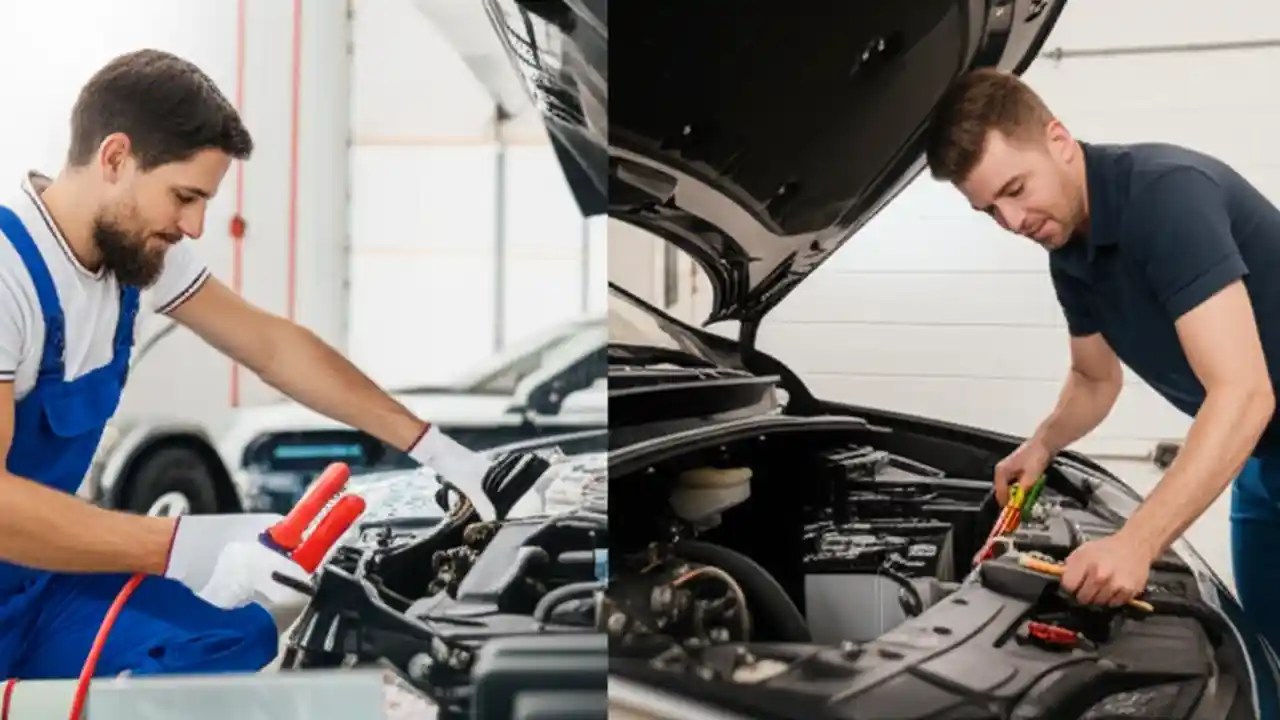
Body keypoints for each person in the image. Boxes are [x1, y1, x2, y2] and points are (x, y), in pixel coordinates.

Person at [0, 49, 512, 680]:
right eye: (184, 196)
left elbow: (272, 347)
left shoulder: (132, 256)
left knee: (227, 639)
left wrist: (438, 449)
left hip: (39, 583)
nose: (194, 225)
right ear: (114, 159)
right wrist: (188, 548)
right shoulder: (9, 275)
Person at [923, 69, 1280, 650]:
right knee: (1265, 648)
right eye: (990, 210)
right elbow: (1094, 379)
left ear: (1058, 141)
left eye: (1015, 190)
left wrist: (1137, 543)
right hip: (1263, 459)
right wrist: (1041, 444)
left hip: (1255, 422)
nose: (1012, 223)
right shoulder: (1068, 251)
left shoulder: (1166, 198)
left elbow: (1243, 392)